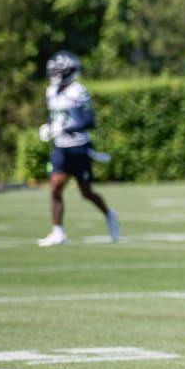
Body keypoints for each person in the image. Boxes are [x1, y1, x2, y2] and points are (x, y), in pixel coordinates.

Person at [37, 51, 120, 246]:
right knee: (56, 186)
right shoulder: (51, 91)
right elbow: (54, 117)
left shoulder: (78, 91)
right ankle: (58, 231)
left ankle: (109, 214)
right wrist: (48, 127)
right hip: (61, 148)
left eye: (56, 71)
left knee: (86, 192)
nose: (53, 75)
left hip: (79, 148)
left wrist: (65, 128)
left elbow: (89, 121)